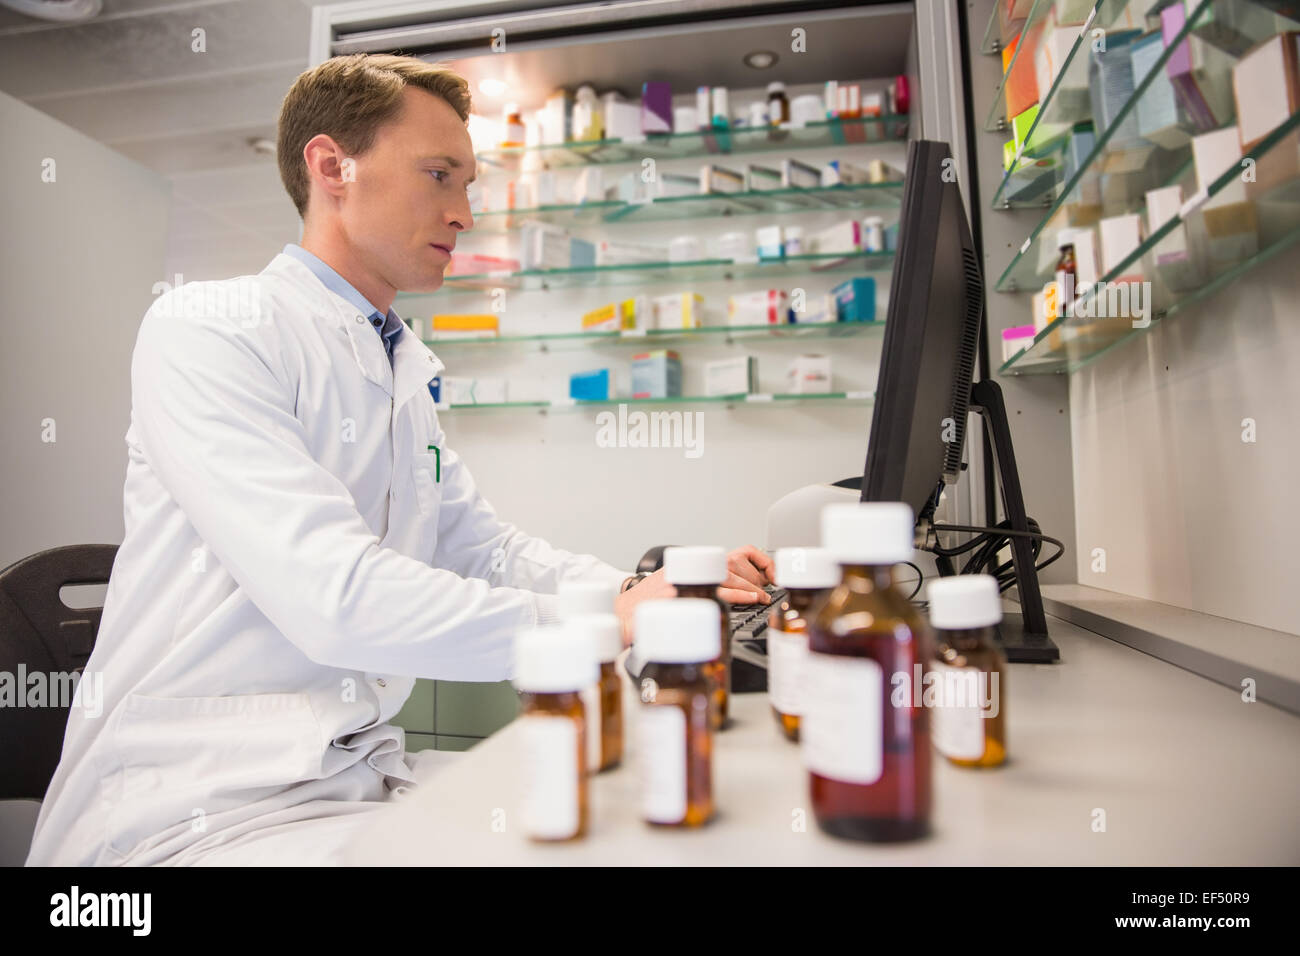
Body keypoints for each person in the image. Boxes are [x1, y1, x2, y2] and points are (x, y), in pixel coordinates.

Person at [26, 54, 773, 867]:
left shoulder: (399, 366)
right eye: (439, 175)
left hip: (346, 782)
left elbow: (485, 551)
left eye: (468, 185)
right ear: (330, 167)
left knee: (626, 827)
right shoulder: (210, 329)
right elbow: (334, 596)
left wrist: (638, 590)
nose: (463, 212)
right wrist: (603, 619)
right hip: (195, 806)